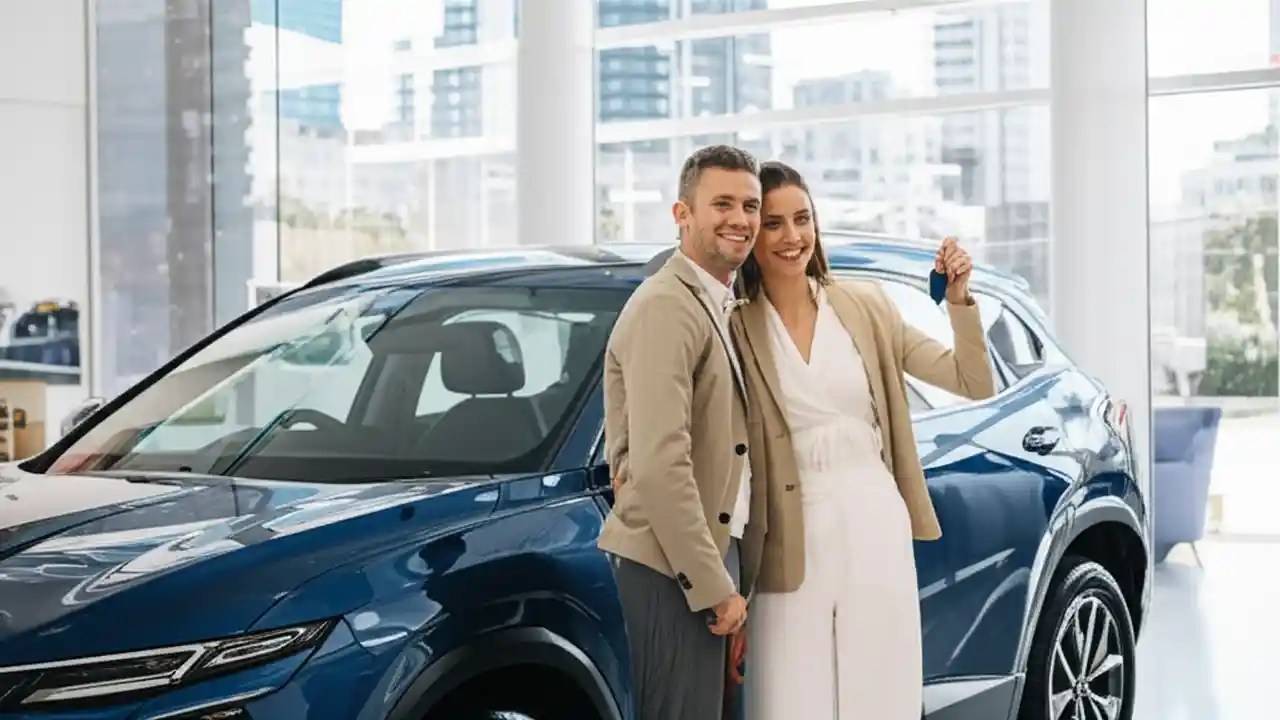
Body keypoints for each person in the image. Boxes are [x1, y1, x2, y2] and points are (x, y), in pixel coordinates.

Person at [729, 161, 996, 719]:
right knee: (788, 702)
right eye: (774, 223)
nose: (792, 236)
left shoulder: (865, 305)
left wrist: (959, 300)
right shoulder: (734, 325)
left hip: (872, 519)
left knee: (879, 696)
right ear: (753, 234)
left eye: (803, 219)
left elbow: (971, 380)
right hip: (783, 539)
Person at [597, 144, 770, 720]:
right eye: (722, 203)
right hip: (670, 565)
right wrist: (714, 586)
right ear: (682, 214)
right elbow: (661, 463)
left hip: (706, 556)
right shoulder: (666, 306)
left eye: (750, 205)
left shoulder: (717, 303)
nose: (740, 219)